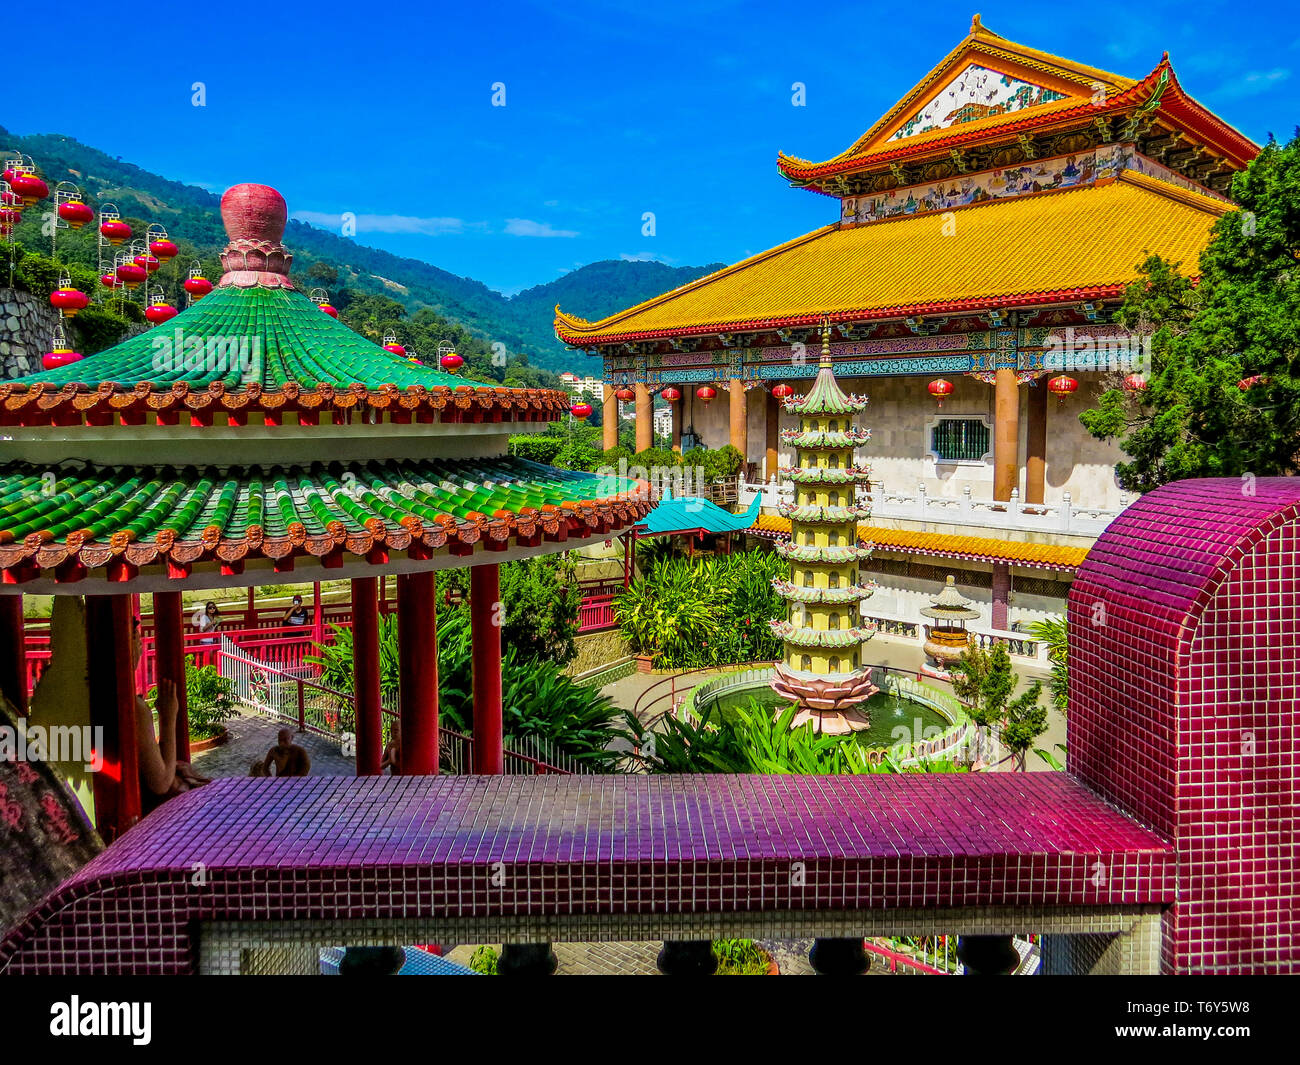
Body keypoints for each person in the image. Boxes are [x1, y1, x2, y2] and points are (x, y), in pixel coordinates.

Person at [131, 616, 210, 808]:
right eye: (135, 636)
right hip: (140, 813)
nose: (140, 643)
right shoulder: (134, 708)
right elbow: (160, 783)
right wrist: (168, 718)